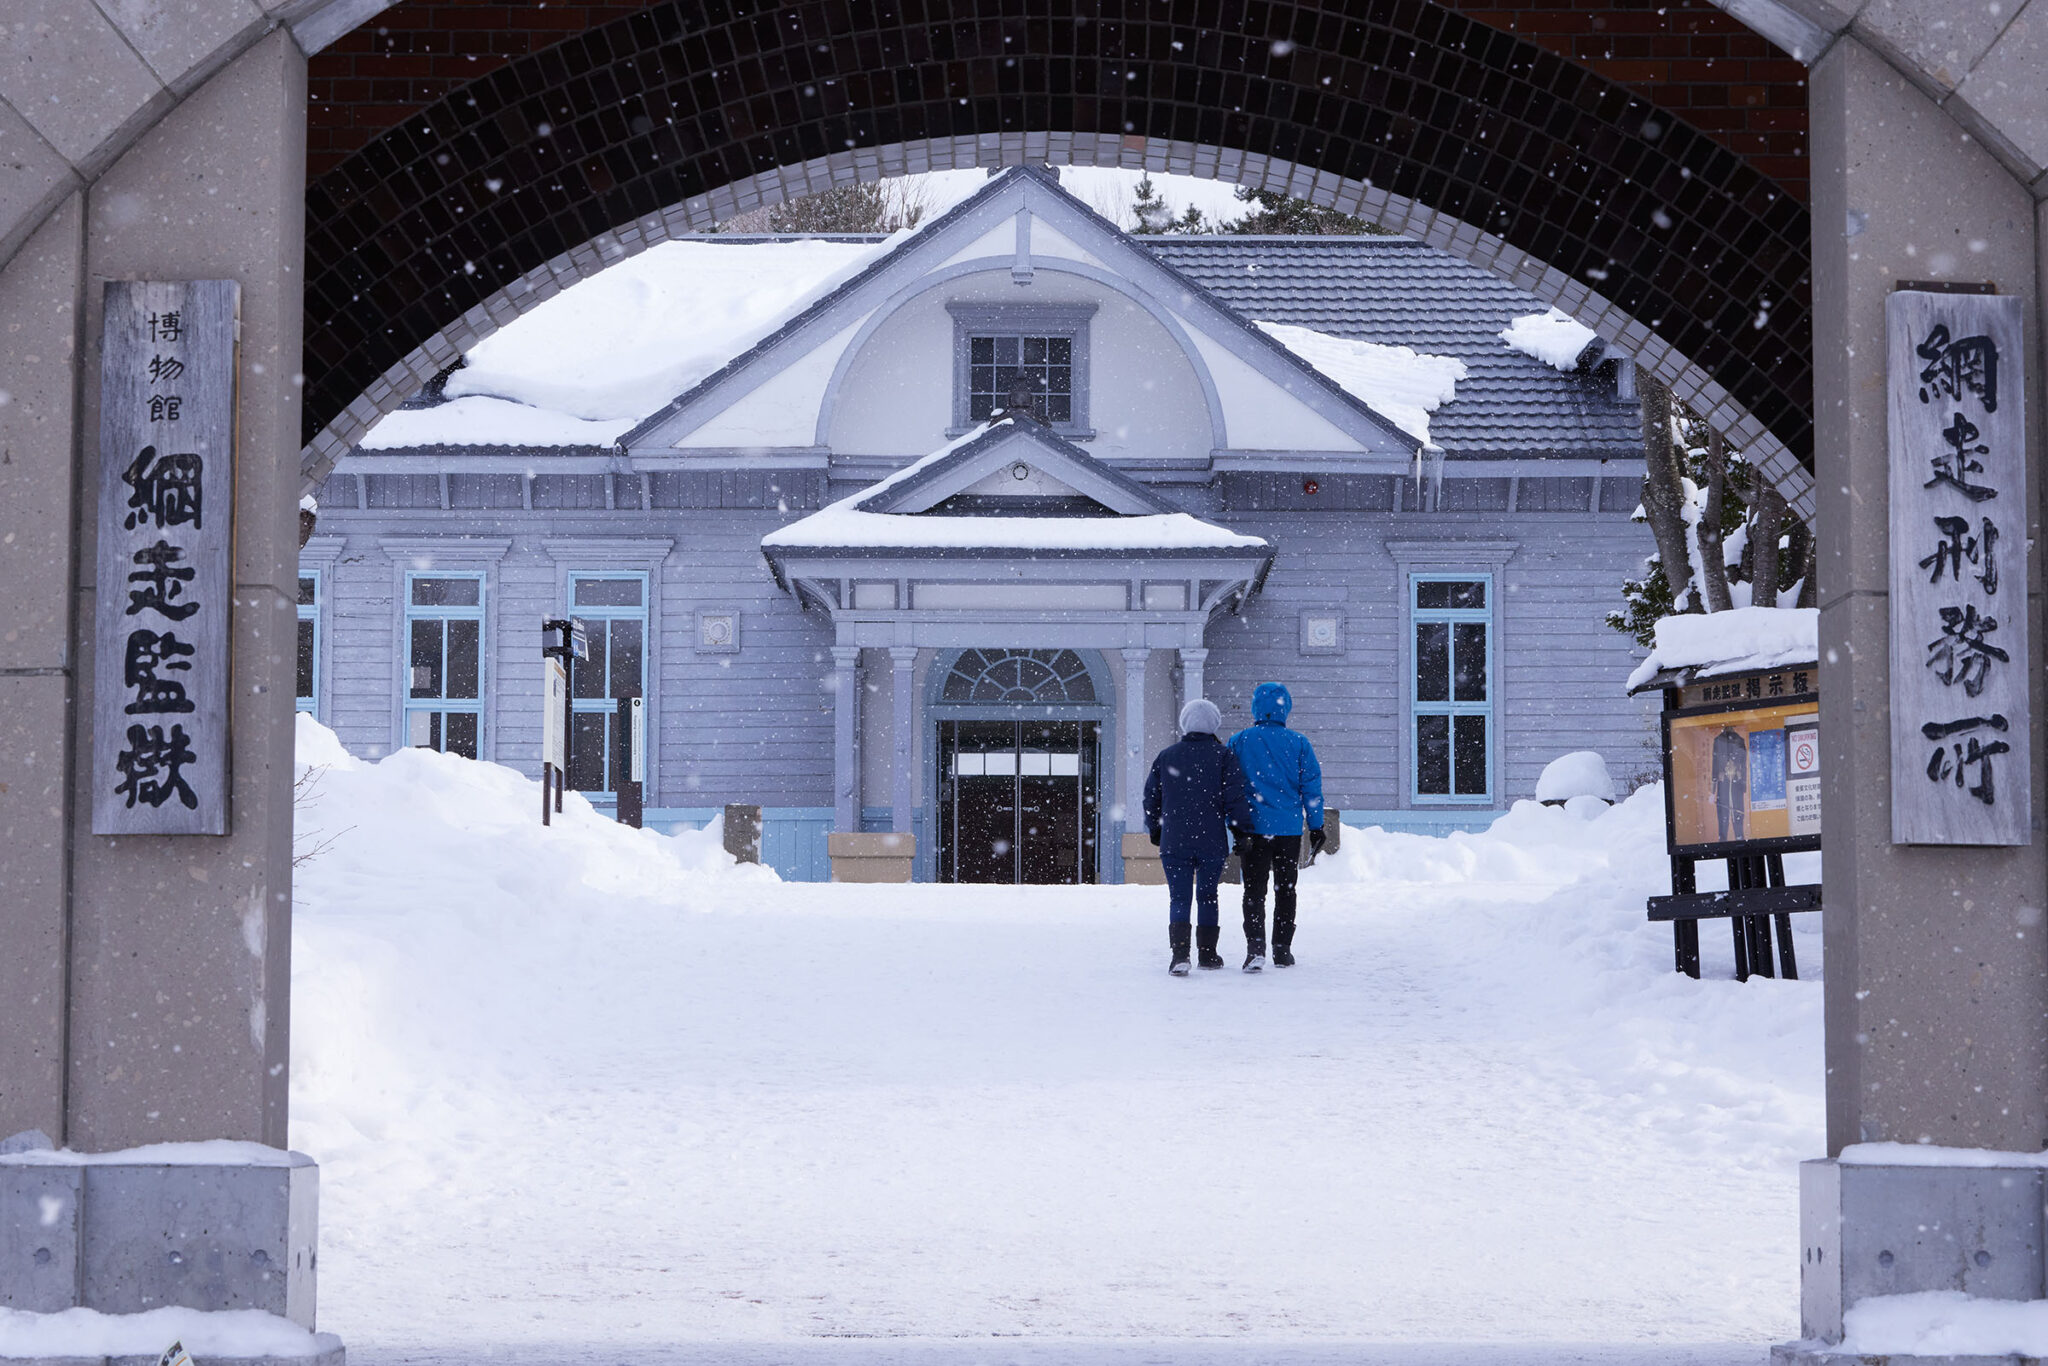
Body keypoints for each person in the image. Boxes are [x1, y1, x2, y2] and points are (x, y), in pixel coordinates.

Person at [1143, 698, 1254, 976]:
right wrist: (1241, 831)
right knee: (1208, 896)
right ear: (1214, 724)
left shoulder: (1167, 756)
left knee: (1179, 898)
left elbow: (1151, 798)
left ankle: (1180, 954)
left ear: (1185, 723)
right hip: (1211, 839)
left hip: (1174, 838)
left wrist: (1155, 829)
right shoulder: (1224, 756)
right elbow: (1235, 798)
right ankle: (1207, 953)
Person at [1227, 682, 1325, 971]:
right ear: (1286, 708)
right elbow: (1311, 788)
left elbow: (1230, 787)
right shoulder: (1299, 743)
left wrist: (1233, 825)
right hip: (1288, 829)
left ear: (1255, 707)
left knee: (1254, 891)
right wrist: (1316, 825)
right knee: (1286, 889)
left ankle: (1255, 948)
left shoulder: (1240, 741)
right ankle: (1282, 949)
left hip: (1253, 829)